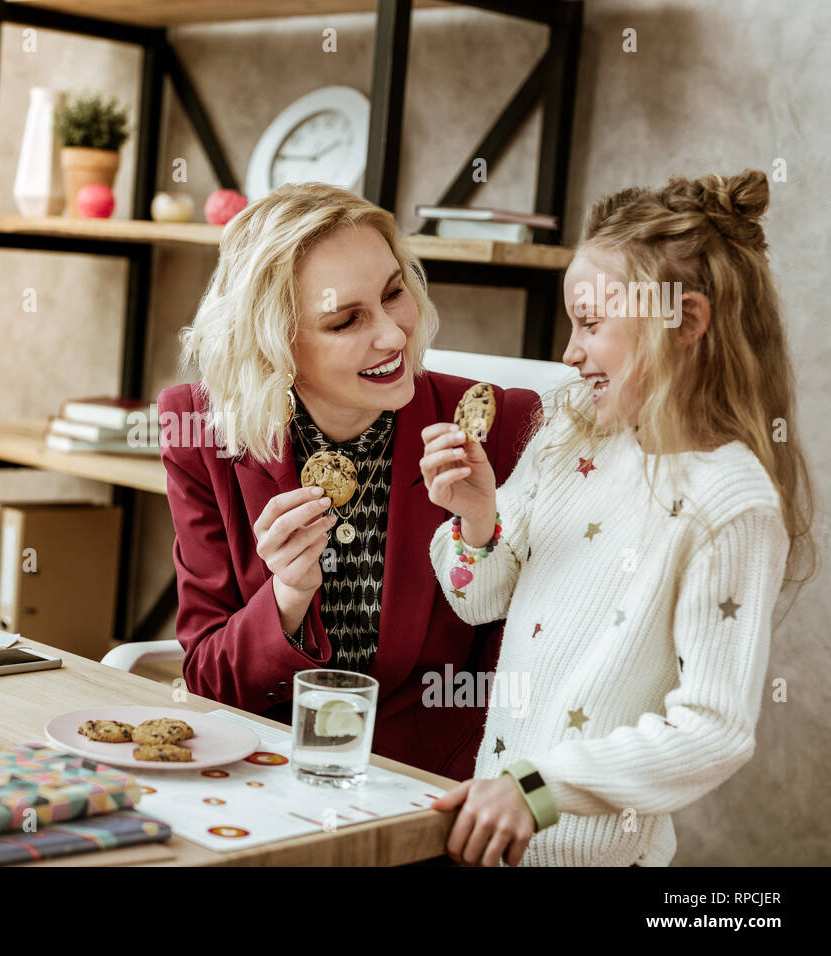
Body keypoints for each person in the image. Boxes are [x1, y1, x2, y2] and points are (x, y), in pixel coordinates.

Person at [423, 170, 818, 866]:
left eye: (591, 323)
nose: (570, 352)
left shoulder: (730, 503)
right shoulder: (569, 430)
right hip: (492, 842)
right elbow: (475, 598)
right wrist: (478, 519)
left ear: (685, 321)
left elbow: (713, 730)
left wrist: (539, 790)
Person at [157, 181, 540, 780]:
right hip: (261, 768)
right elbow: (209, 680)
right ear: (273, 343)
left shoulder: (503, 425)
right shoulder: (204, 431)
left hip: (430, 786)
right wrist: (286, 597)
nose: (392, 335)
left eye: (394, 294)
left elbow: (527, 666)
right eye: (345, 321)